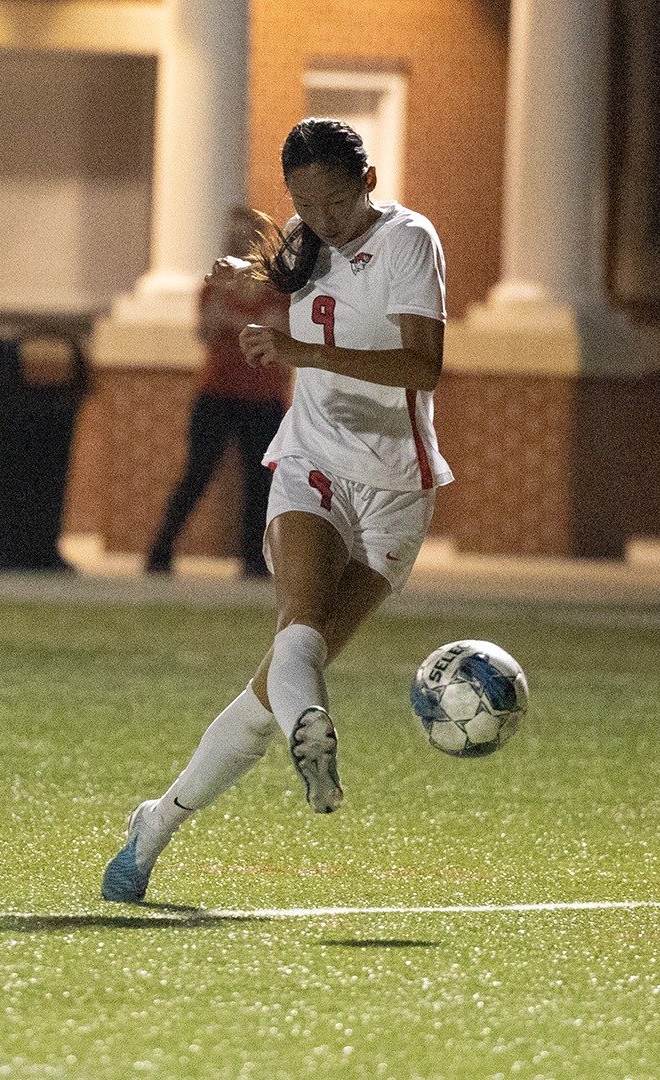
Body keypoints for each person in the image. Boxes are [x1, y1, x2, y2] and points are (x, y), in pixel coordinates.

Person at [103, 117, 451, 902]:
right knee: (297, 622)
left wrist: (304, 354)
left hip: (397, 487)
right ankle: (313, 738)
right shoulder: (300, 239)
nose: (318, 220)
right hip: (312, 458)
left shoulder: (408, 241)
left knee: (284, 676)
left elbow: (424, 366)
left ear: (367, 182)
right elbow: (276, 281)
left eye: (333, 202)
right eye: (301, 202)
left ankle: (157, 821)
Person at [144, 207, 292, 578]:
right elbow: (207, 329)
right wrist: (247, 324)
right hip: (217, 392)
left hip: (263, 397)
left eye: (246, 235)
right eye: (233, 236)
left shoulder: (278, 288)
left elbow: (279, 331)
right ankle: (159, 551)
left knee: (261, 481)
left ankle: (254, 560)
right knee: (197, 473)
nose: (238, 242)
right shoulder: (215, 284)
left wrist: (234, 322)